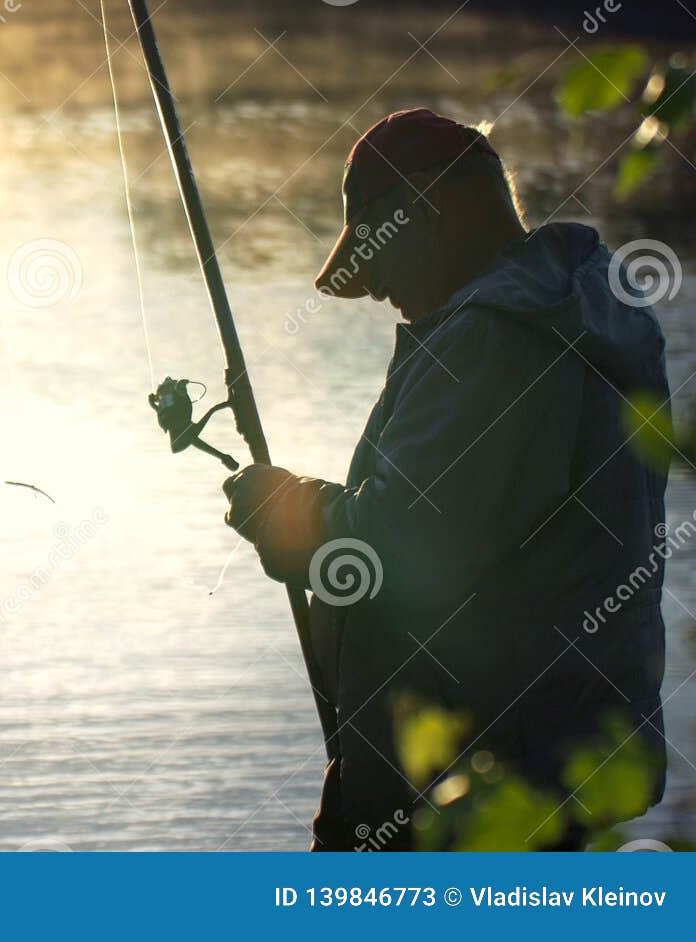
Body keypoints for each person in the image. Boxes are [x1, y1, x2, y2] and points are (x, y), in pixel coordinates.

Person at [222, 108, 670, 850]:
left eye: (376, 248)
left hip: (473, 784)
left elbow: (405, 548)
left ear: (425, 211)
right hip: (557, 760)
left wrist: (285, 513)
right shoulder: (592, 306)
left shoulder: (491, 339)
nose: (372, 288)